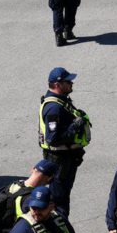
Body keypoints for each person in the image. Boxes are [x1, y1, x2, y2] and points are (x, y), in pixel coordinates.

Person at [38, 67, 91, 214]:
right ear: (57, 84)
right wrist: (74, 127)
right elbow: (53, 139)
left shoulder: (61, 101)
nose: (71, 84)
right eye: (68, 82)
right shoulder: (54, 108)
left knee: (62, 197)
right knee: (59, 201)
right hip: (59, 162)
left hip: (66, 159)